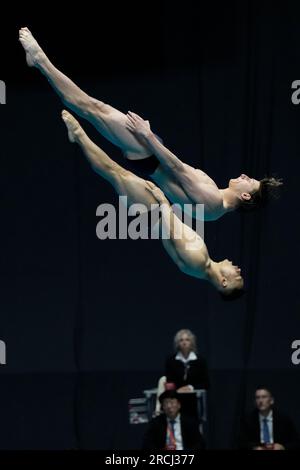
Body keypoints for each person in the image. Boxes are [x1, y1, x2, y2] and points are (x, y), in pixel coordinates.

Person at [19, 28, 282, 222]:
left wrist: (147, 137)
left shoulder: (213, 202)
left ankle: (39, 59)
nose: (246, 176)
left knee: (91, 108)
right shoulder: (214, 206)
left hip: (150, 155)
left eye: (250, 181)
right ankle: (40, 62)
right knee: (92, 109)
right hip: (151, 156)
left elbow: (176, 168)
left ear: (246, 196)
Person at [60, 110, 244, 299]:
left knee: (114, 172)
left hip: (153, 211)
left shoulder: (198, 262)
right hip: (154, 212)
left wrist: (162, 199)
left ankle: (79, 136)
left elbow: (172, 231)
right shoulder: (201, 264)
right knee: (114, 172)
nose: (238, 269)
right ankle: (80, 135)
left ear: (224, 282)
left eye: (237, 276)